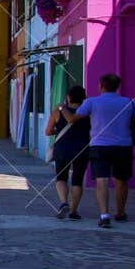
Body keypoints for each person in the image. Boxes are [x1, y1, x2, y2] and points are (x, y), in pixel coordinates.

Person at [70, 73, 135, 228]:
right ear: (117, 87)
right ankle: (120, 212)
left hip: (99, 145)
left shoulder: (91, 102)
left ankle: (104, 215)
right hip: (123, 146)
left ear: (101, 86)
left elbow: (74, 118)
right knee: (121, 181)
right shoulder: (130, 102)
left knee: (101, 181)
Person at [46, 84, 90, 220]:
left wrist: (57, 130)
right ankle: (74, 211)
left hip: (62, 148)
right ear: (84, 98)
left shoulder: (58, 112)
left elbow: (48, 132)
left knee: (61, 178)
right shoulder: (87, 112)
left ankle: (63, 203)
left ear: (69, 98)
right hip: (82, 148)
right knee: (77, 180)